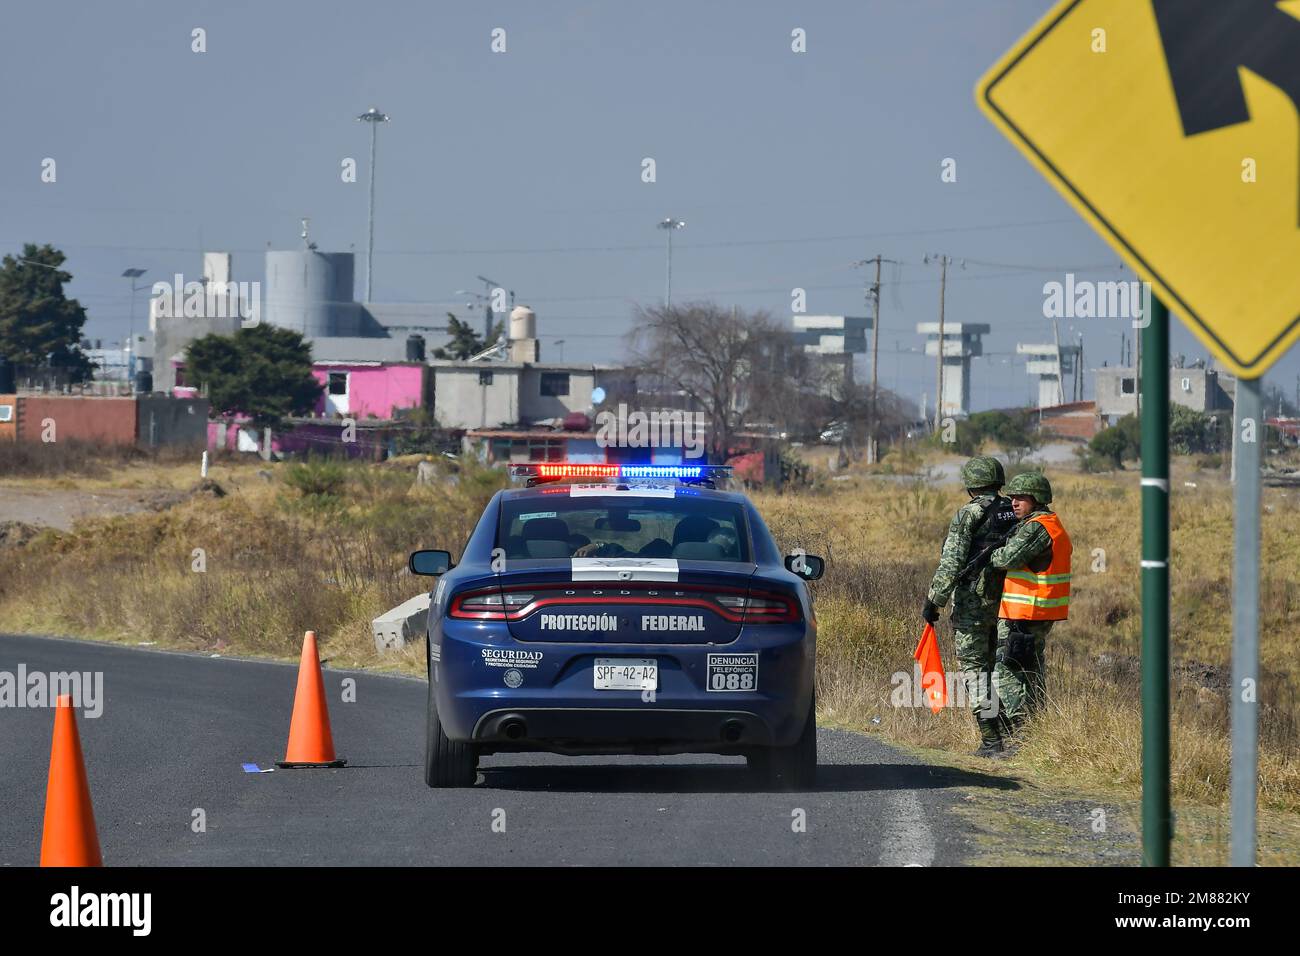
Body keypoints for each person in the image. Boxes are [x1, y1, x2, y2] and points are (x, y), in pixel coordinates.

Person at [922, 455, 1018, 757]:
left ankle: (991, 741)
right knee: (999, 667)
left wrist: (934, 601)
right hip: (1009, 601)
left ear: (971, 486)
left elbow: (952, 563)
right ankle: (1014, 733)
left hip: (974, 602)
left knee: (975, 670)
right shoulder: (1013, 511)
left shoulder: (969, 514)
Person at [987, 471, 1072, 751]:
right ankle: (1037, 732)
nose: (1013, 503)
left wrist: (993, 554)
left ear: (1037, 500)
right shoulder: (1049, 523)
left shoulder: (1037, 527)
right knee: (1032, 669)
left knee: (1005, 668)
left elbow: (1007, 558)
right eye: (1012, 497)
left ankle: (1022, 730)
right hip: (1038, 611)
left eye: (1021, 498)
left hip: (1023, 613)